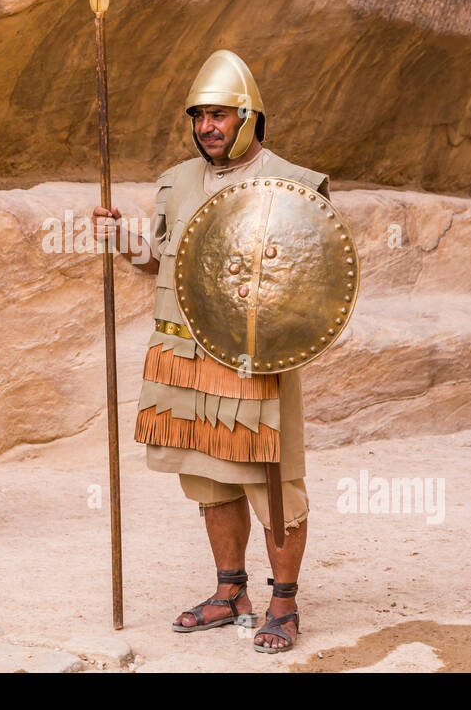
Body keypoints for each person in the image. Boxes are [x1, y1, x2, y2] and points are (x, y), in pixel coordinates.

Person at [93, 50, 330, 653]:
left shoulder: (293, 183)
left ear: (250, 116)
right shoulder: (176, 181)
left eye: (219, 115)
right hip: (184, 358)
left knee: (271, 483)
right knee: (208, 479)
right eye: (199, 116)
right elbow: (157, 260)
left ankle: (283, 603)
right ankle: (231, 593)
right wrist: (124, 239)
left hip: (253, 362)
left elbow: (315, 280)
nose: (207, 127)